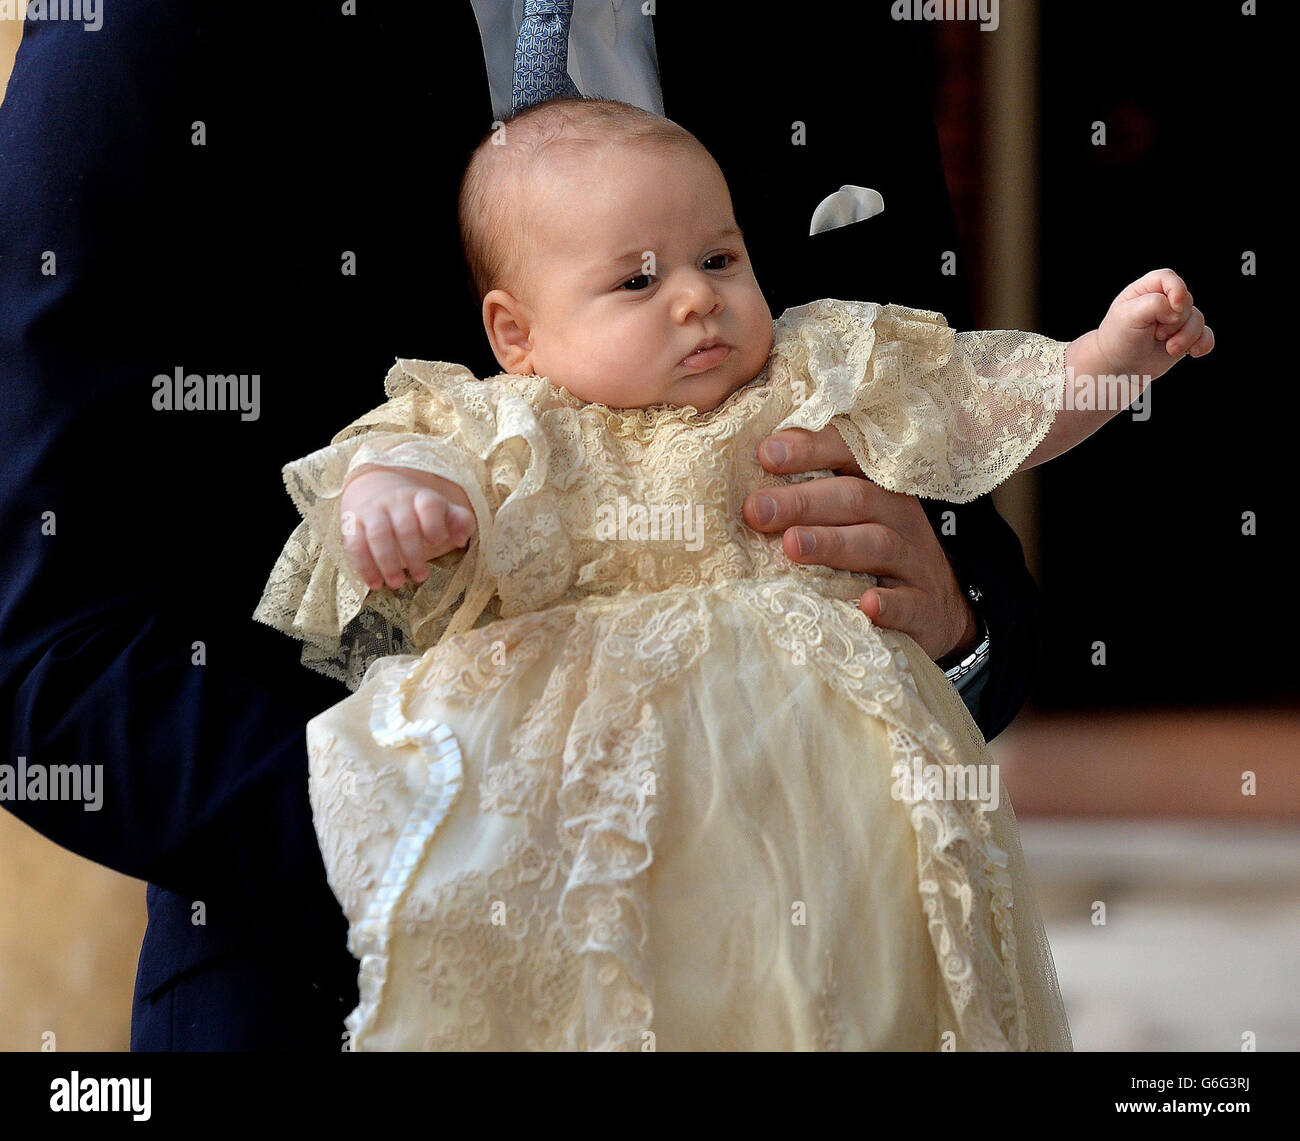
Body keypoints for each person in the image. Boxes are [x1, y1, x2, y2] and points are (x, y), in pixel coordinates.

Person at [0, 3, 1061, 1049]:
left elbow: (947, 471)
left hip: (829, 979)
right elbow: (50, 646)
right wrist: (459, 841)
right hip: (348, 992)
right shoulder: (150, 29)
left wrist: (954, 633)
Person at [252, 97, 1212, 1050]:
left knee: (873, 989)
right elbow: (401, 454)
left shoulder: (809, 374)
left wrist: (1106, 361)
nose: (696, 297)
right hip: (606, 806)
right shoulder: (517, 426)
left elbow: (977, 404)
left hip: (835, 807)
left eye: (719, 259)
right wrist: (397, 493)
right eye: (636, 280)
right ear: (516, 336)